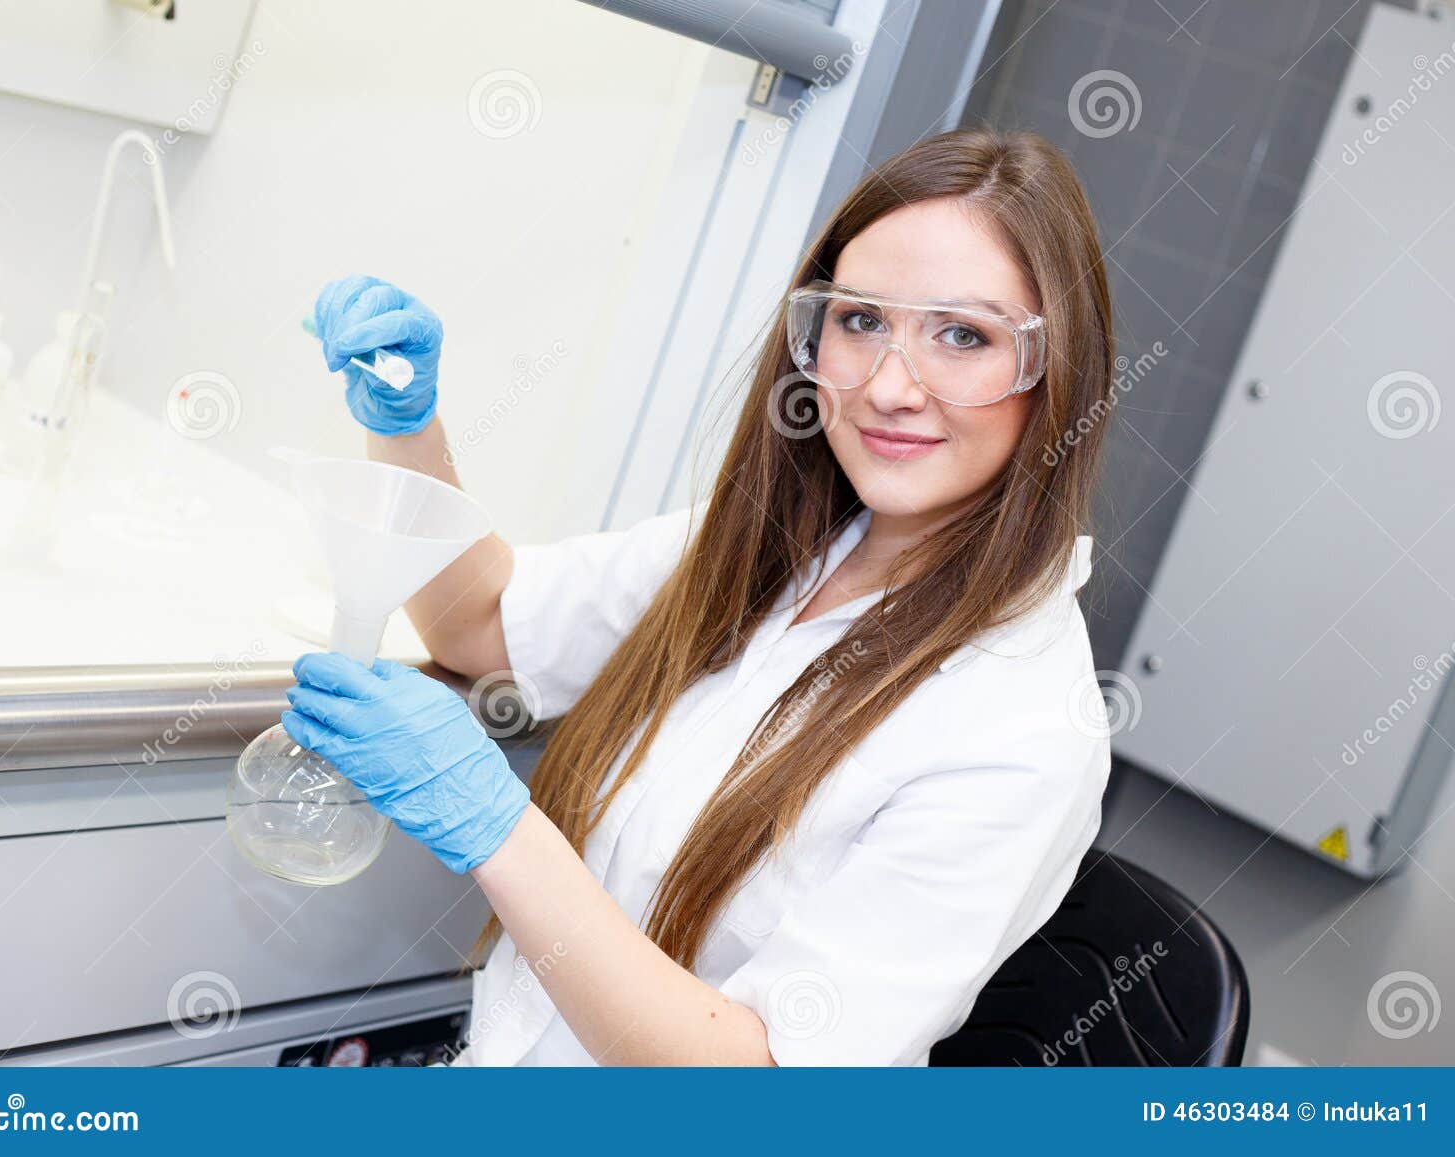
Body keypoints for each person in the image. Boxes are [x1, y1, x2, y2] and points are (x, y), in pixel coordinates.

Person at [282, 127, 1116, 1066]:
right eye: (861, 320)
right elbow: (483, 628)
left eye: (964, 335)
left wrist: (498, 830)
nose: (889, 386)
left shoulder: (1023, 727)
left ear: (1058, 372)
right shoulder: (770, 551)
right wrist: (410, 424)